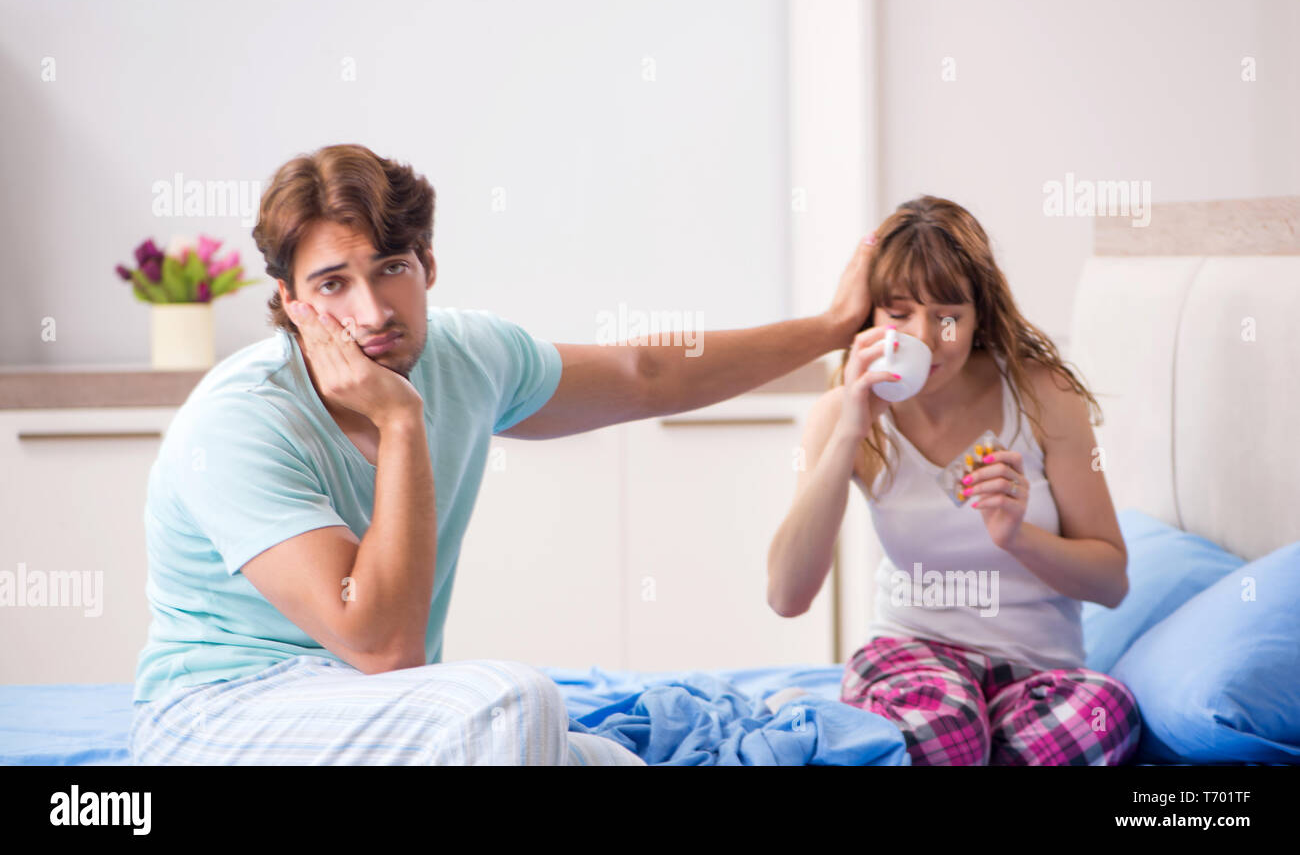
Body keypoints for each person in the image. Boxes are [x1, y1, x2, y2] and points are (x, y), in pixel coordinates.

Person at [129, 142, 874, 765]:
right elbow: (386, 646)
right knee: (517, 703)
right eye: (332, 285)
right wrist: (399, 421)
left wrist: (833, 327)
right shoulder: (238, 423)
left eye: (391, 266)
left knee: (608, 758)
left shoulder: (466, 354)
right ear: (292, 302)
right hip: (221, 715)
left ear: (427, 262)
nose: (373, 312)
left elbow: (646, 373)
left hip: (378, 708)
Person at [766, 195, 1141, 766]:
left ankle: (860, 732)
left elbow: (1111, 583)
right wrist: (847, 434)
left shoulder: (1044, 396)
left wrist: (1017, 536)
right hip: (913, 659)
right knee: (947, 726)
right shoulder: (844, 413)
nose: (925, 337)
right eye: (898, 313)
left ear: (978, 315)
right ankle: (863, 724)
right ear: (870, 316)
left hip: (1038, 673)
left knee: (1102, 715)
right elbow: (786, 596)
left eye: (948, 316)